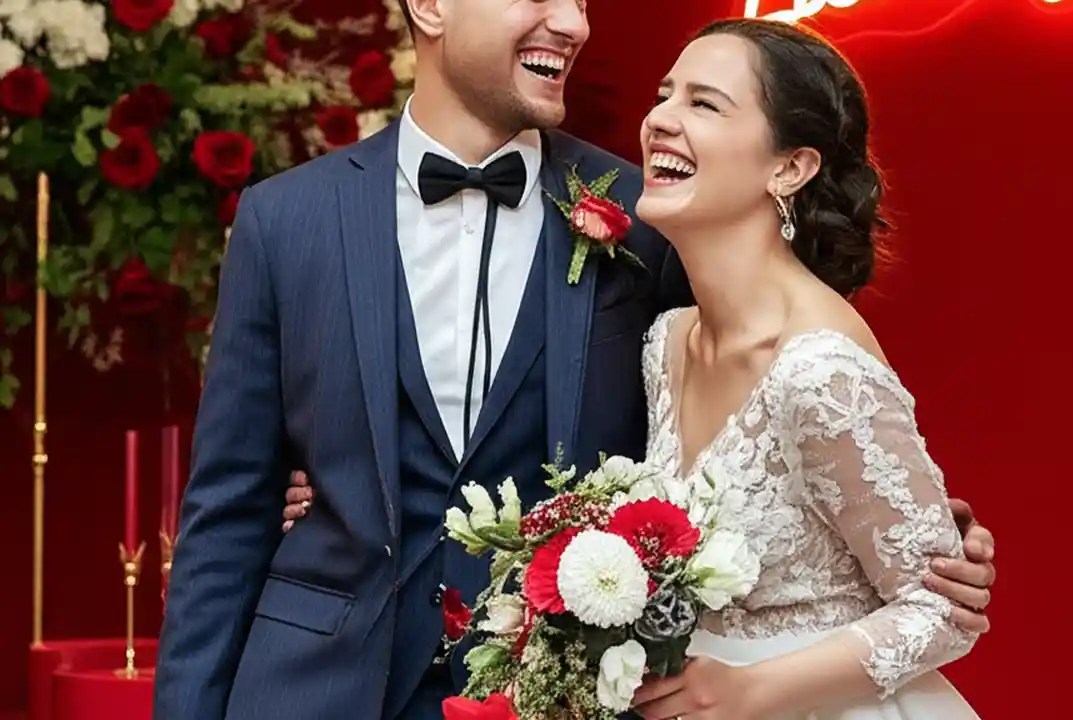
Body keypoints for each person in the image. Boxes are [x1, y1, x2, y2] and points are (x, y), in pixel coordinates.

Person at [160, 0, 996, 717]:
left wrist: (924, 537)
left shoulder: (655, 215)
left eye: (582, 0)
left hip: (559, 695)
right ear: (431, 9)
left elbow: (786, 402)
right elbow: (226, 515)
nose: (572, 22)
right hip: (316, 687)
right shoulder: (285, 222)